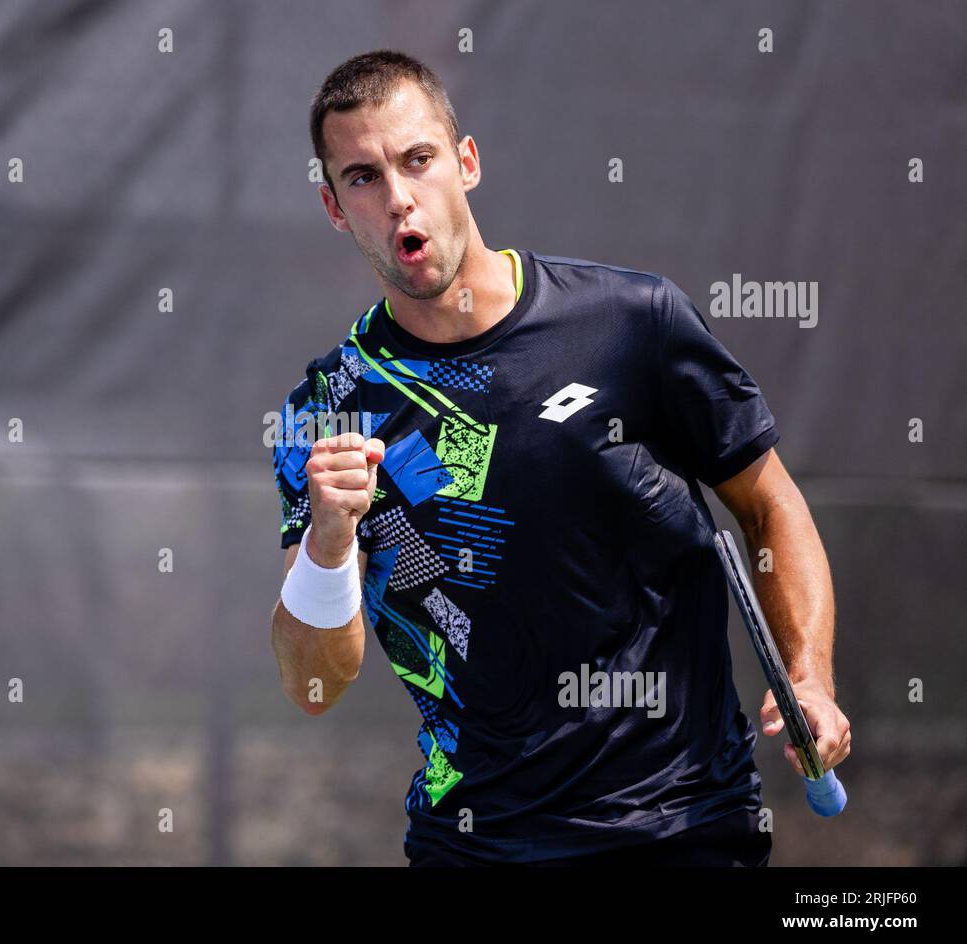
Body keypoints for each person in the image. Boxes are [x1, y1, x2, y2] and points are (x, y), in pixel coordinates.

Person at [268, 50, 850, 866]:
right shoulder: (324, 412)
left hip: (682, 827)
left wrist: (810, 676)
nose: (398, 196)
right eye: (362, 177)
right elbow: (315, 686)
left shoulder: (631, 321)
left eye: (418, 159)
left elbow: (768, 506)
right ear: (334, 207)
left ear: (465, 163)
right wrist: (330, 545)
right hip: (472, 843)